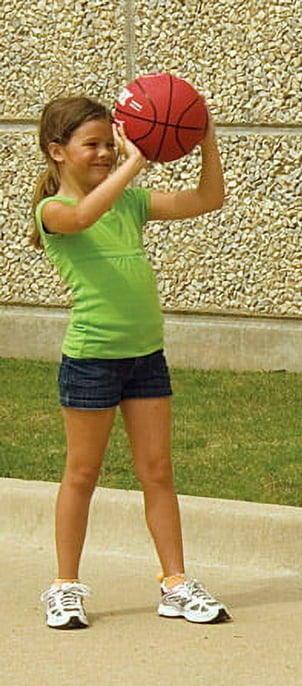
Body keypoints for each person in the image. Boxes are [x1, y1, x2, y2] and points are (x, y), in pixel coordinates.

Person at [32, 95, 230, 628]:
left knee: (158, 470)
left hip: (146, 358)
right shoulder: (52, 212)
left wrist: (204, 138)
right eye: (90, 144)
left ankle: (175, 582)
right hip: (92, 360)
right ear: (58, 152)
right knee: (83, 472)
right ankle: (64, 585)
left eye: (107, 143)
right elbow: (82, 214)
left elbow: (210, 198)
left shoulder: (130, 202)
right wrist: (136, 157)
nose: (103, 153)